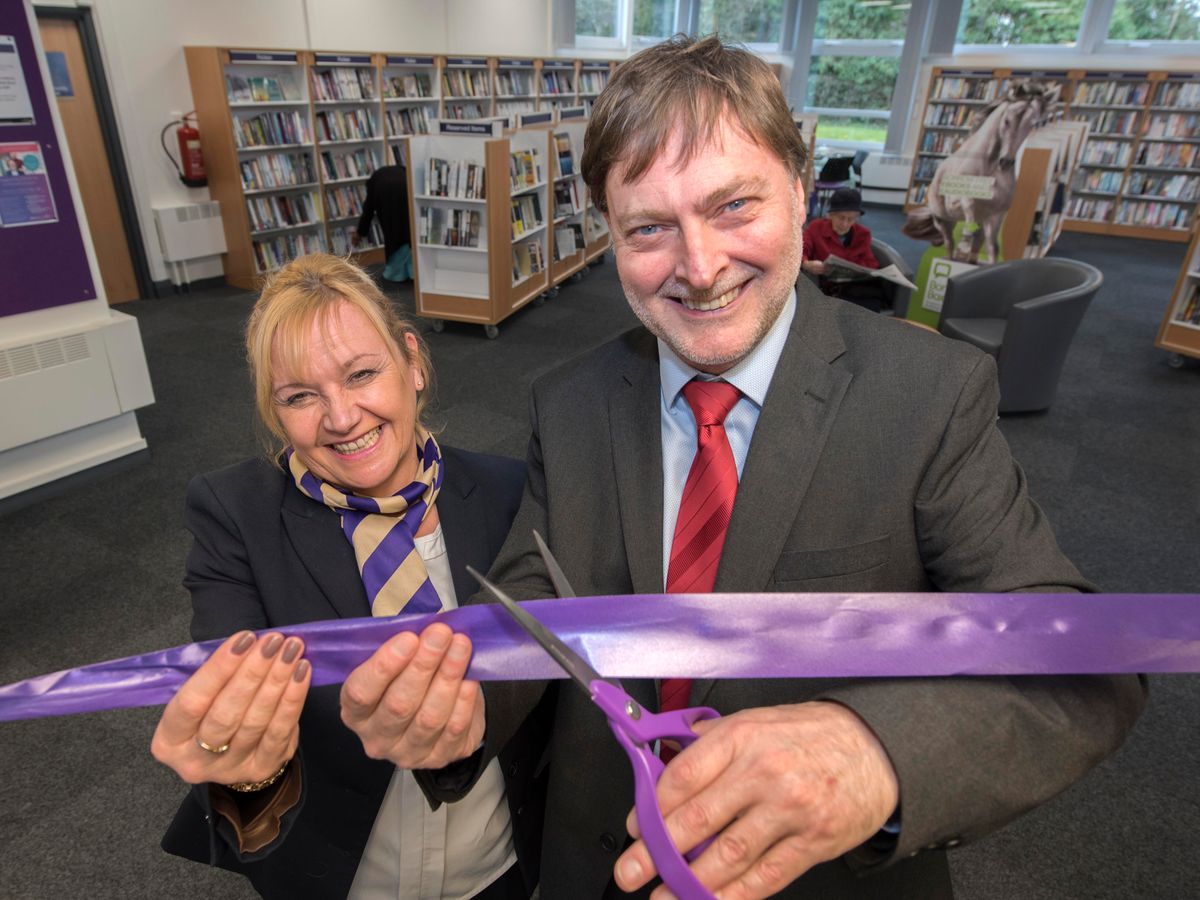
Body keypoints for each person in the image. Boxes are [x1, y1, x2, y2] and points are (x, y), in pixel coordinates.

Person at [319, 36, 1146, 900]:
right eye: (649, 227)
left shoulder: (930, 396)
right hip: (598, 864)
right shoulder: (568, 400)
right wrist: (463, 705)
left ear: (799, 189)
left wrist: (874, 750)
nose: (701, 267)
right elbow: (540, 592)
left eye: (734, 206)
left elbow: (1085, 663)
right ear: (609, 233)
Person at [151, 253, 548, 899]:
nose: (340, 417)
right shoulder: (237, 516)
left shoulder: (510, 491)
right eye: (300, 396)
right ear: (274, 412)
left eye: (361, 374)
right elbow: (239, 735)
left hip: (500, 864)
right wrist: (244, 768)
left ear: (412, 362)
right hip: (349, 879)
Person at [801, 187, 888, 312]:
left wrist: (855, 269)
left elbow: (871, 263)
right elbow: (800, 249)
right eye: (841, 218)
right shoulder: (816, 227)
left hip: (855, 286)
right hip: (827, 286)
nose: (845, 224)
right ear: (831, 215)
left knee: (871, 298)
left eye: (851, 219)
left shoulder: (863, 234)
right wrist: (806, 263)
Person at [354, 163, 413, 282]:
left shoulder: (375, 181)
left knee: (394, 235)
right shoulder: (404, 172)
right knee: (408, 234)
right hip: (407, 198)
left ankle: (397, 275)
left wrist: (360, 233)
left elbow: (368, 211)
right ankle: (411, 272)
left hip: (389, 212)